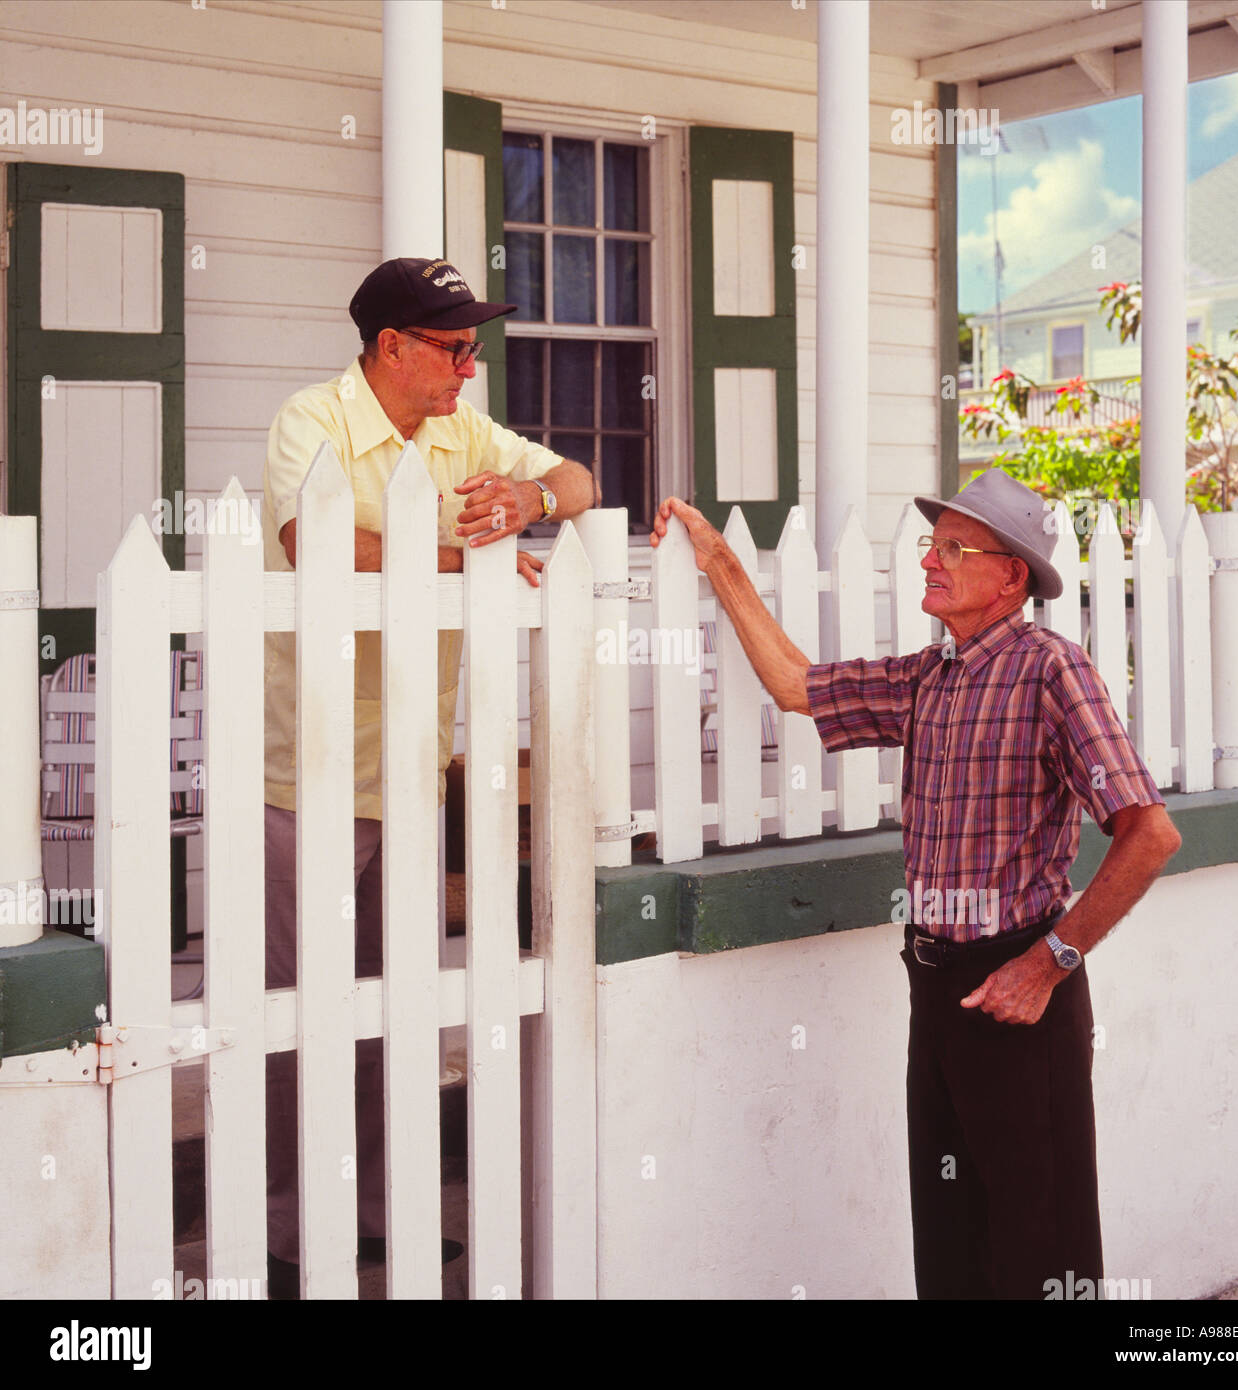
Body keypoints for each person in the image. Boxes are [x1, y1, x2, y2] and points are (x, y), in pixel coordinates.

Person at [650, 468, 1182, 1300]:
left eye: (953, 548)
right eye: (932, 544)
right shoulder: (929, 677)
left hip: (1020, 990)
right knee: (951, 1241)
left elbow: (1150, 834)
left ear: (1010, 578)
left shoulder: (1053, 672)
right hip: (934, 987)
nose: (929, 560)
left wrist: (1049, 965)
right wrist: (719, 562)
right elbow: (797, 686)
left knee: (1042, 1247)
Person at [261, 257, 598, 1297]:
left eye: (472, 345)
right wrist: (472, 555)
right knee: (293, 1012)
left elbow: (579, 487)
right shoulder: (309, 420)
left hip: (412, 774)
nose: (469, 364)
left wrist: (529, 494)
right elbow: (310, 538)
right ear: (391, 347)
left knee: (389, 1004)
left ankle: (373, 1214)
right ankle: (281, 1230)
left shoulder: (460, 434)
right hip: (302, 773)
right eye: (452, 345)